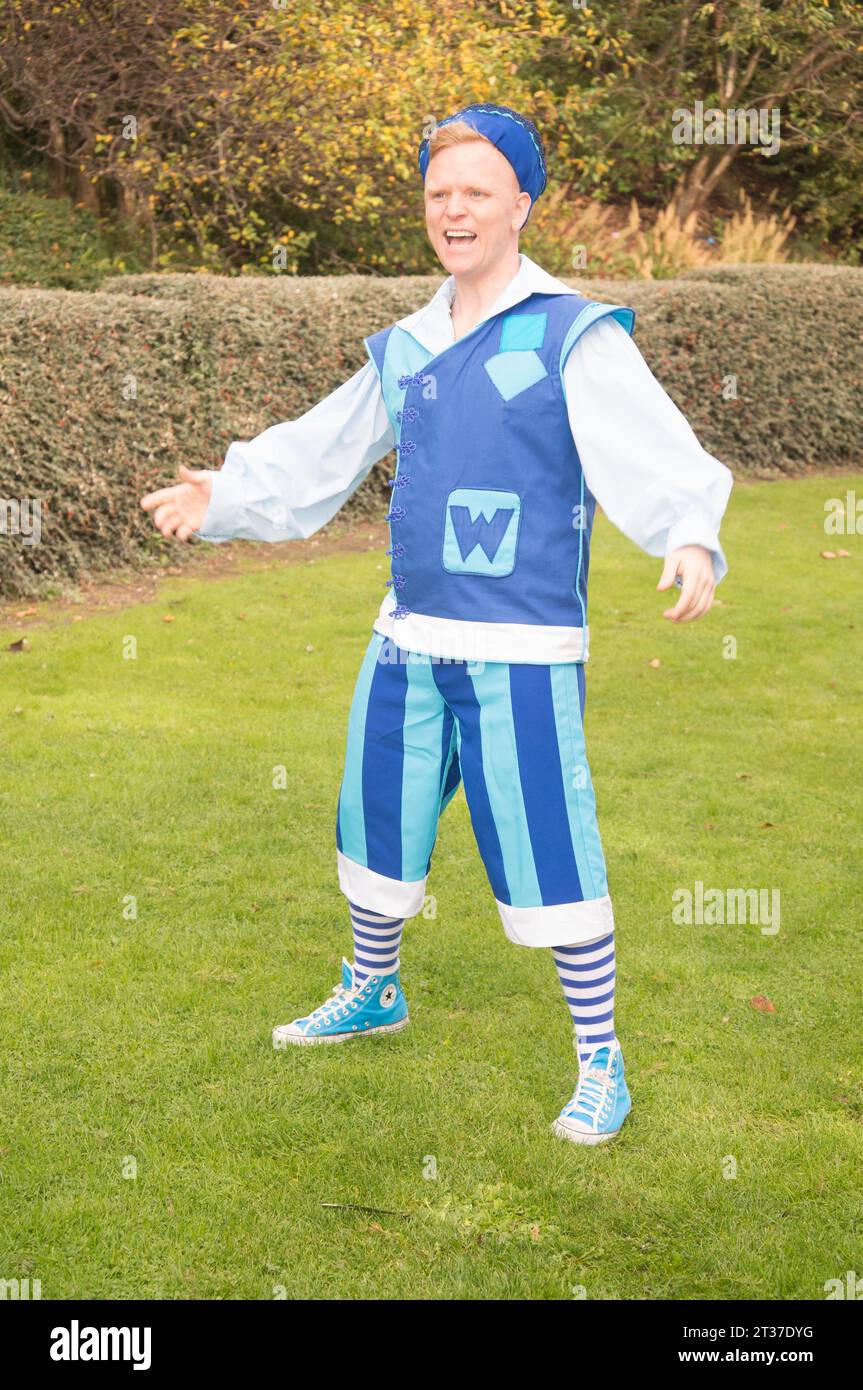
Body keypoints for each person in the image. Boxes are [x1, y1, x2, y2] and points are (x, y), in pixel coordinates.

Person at [140, 103, 733, 1145]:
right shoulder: (407, 345)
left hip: (521, 651)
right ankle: (373, 988)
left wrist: (686, 532)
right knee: (379, 820)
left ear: (521, 205)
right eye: (435, 193)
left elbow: (649, 447)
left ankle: (601, 1060)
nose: (452, 210)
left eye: (474, 191)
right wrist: (226, 491)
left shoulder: (569, 333)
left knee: (549, 846)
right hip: (407, 636)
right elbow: (322, 449)